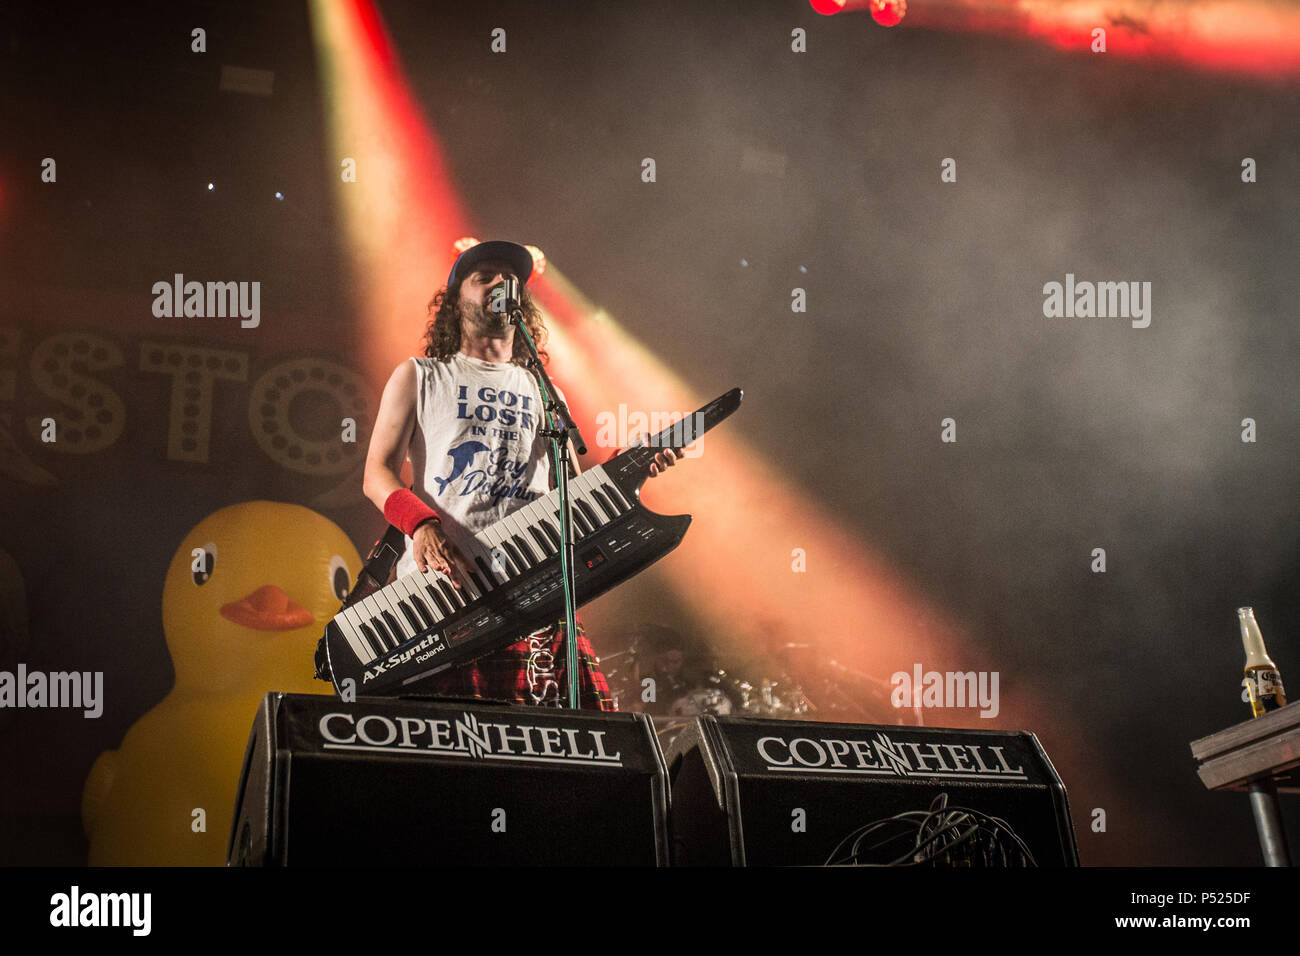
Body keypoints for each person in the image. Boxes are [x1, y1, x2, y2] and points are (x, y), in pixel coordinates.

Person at [362, 240, 679, 710]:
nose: (499, 283)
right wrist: (422, 526)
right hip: (442, 591)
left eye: (507, 277)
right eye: (483, 276)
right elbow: (376, 473)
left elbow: (573, 496)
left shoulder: (546, 393)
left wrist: (629, 469)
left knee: (568, 752)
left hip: (533, 592)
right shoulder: (421, 376)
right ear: (455, 302)